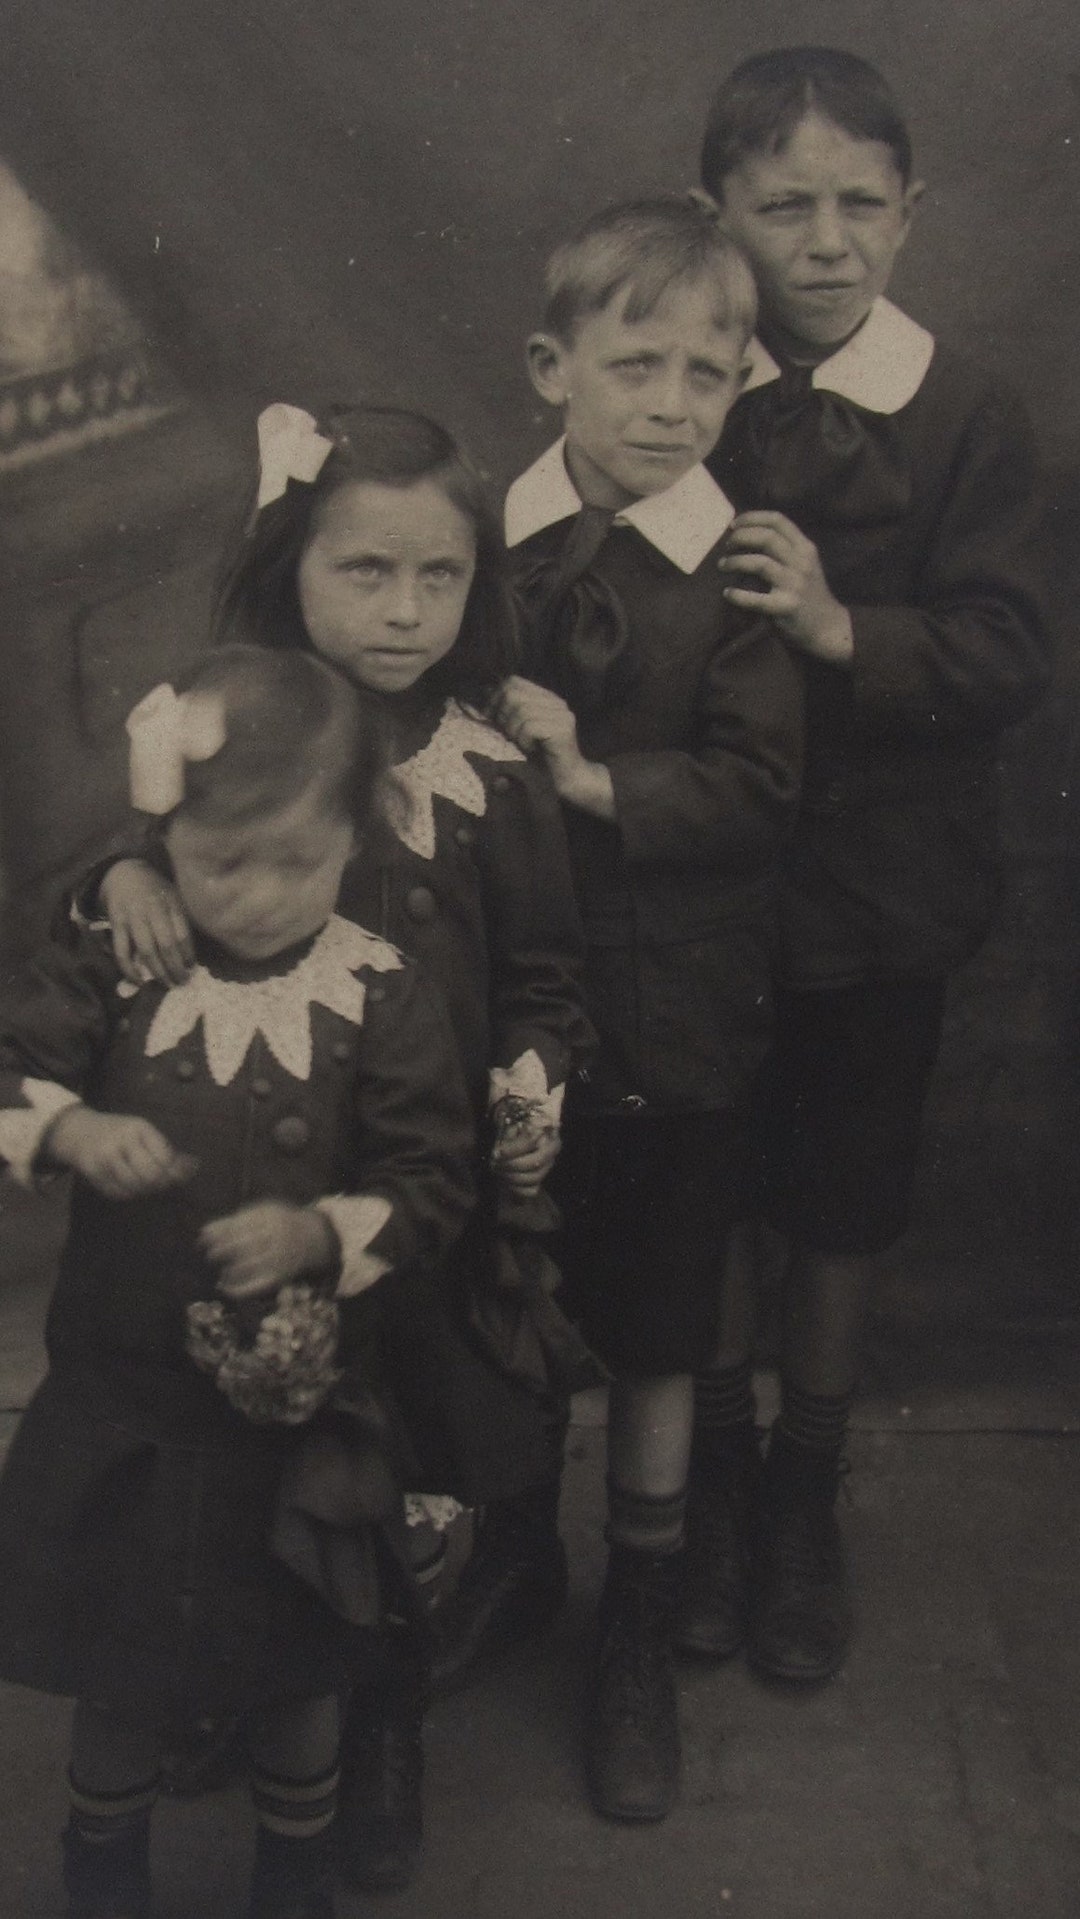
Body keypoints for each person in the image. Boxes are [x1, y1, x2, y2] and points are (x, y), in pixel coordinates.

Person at [80, 403, 594, 1891]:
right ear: (293, 561)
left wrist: (534, 1067)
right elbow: (132, 852)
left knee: (392, 1475)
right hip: (248, 1180)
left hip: (409, 1202)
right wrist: (125, 862)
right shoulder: (233, 721)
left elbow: (549, 972)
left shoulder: (488, 769)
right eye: (366, 572)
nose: (403, 611)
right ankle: (226, 1684)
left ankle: (380, 1723)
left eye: (438, 578)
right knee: (237, 1460)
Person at [0, 643, 483, 1919]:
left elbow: (434, 1176)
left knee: (301, 1659)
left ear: (355, 839)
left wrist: (325, 1234)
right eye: (221, 866)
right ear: (163, 842)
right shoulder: (124, 958)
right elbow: (11, 1066)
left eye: (299, 863)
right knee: (121, 1669)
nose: (260, 898)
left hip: (301, 1420)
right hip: (131, 1411)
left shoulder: (379, 992)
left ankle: (295, 1871)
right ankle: (102, 1868)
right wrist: (63, 1129)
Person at [680, 46, 1049, 1686]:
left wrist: (841, 628)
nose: (824, 241)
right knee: (708, 1194)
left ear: (911, 214)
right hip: (703, 888)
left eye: (857, 204)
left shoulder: (966, 409)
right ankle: (720, 1484)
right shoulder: (675, 379)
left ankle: (807, 1494)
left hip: (884, 892)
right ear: (720, 218)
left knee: (836, 1204)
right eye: (783, 206)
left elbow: (1008, 649)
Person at [490, 193, 804, 1821]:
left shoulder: (741, 570)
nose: (673, 401)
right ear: (556, 366)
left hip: (679, 1015)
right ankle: (508, 1562)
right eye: (636, 363)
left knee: (668, 1322)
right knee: (518, 1291)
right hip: (517, 1011)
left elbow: (760, 782)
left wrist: (596, 777)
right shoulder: (481, 547)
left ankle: (641, 1609)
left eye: (708, 369)